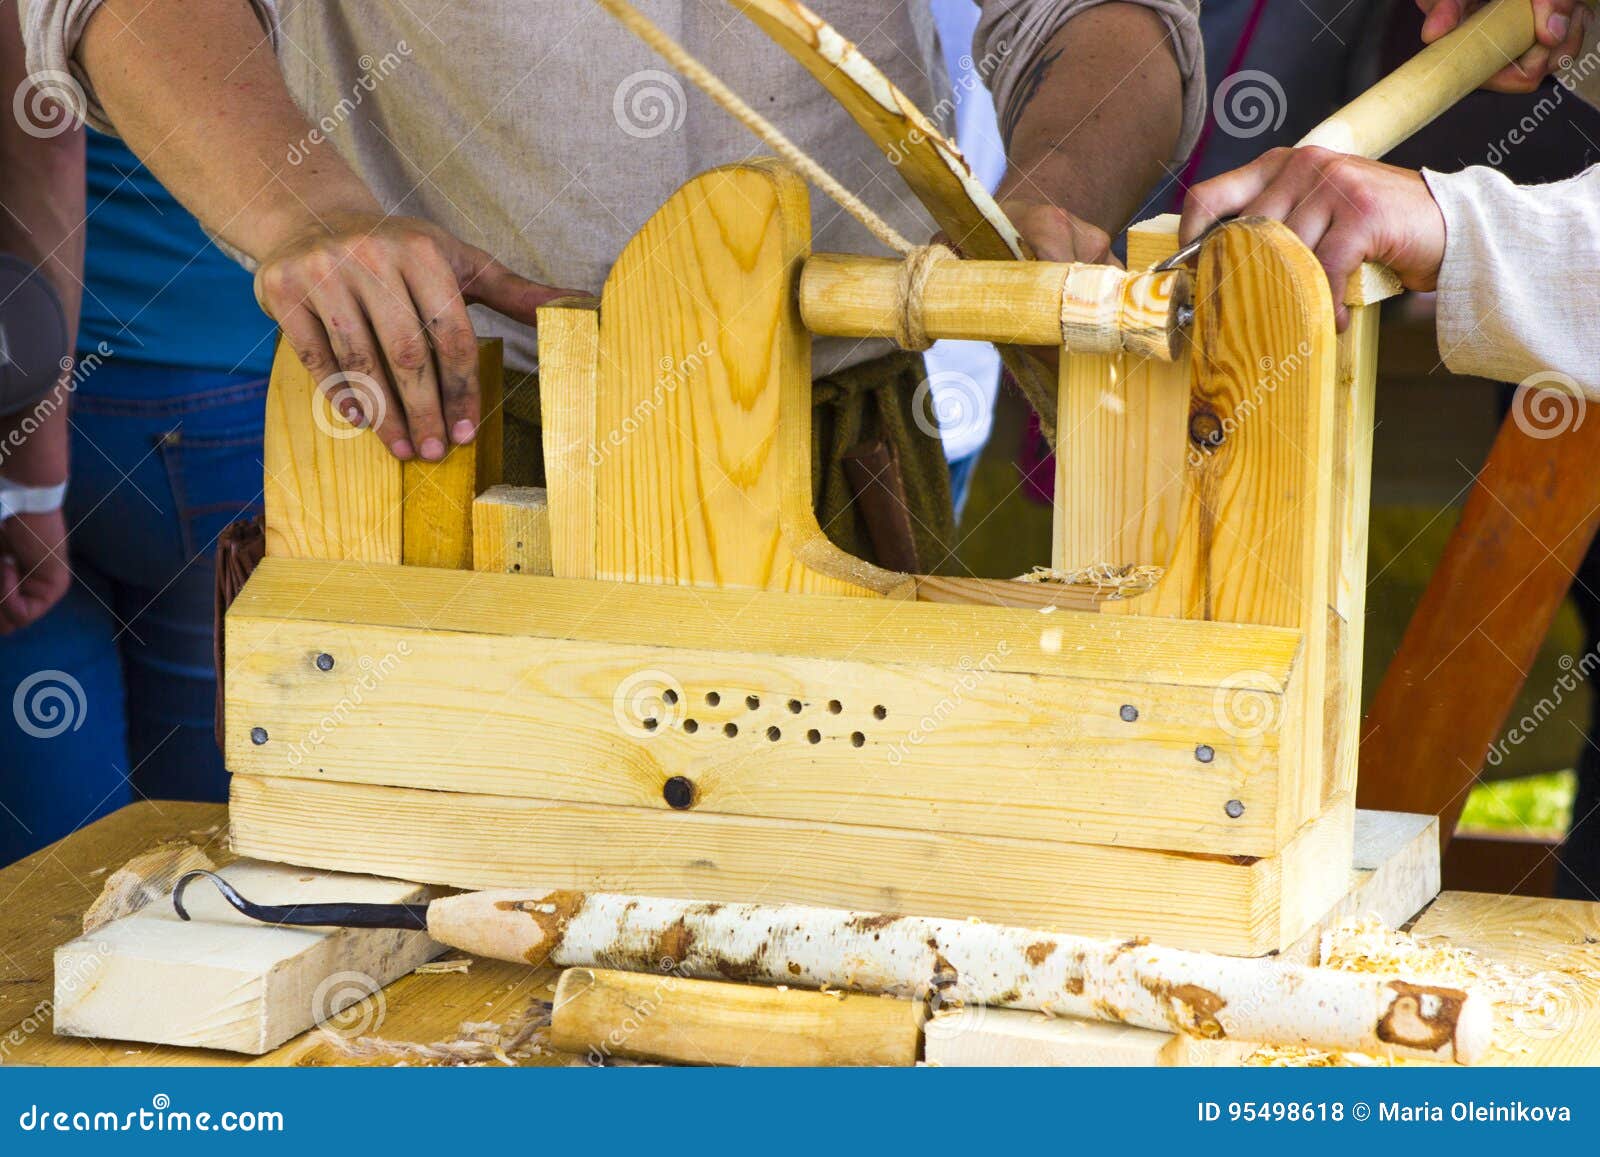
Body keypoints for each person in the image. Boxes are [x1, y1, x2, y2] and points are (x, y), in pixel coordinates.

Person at [20, 0, 1204, 567]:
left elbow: (1109, 13)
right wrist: (305, 210)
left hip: (842, 433)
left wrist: (1046, 196)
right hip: (454, 430)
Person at [1, 13, 276, 864]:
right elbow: (41, 135)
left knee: (40, 705)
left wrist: (26, 472)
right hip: (216, 387)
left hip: (39, 386)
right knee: (209, 836)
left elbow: (39, 129)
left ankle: (47, 987)